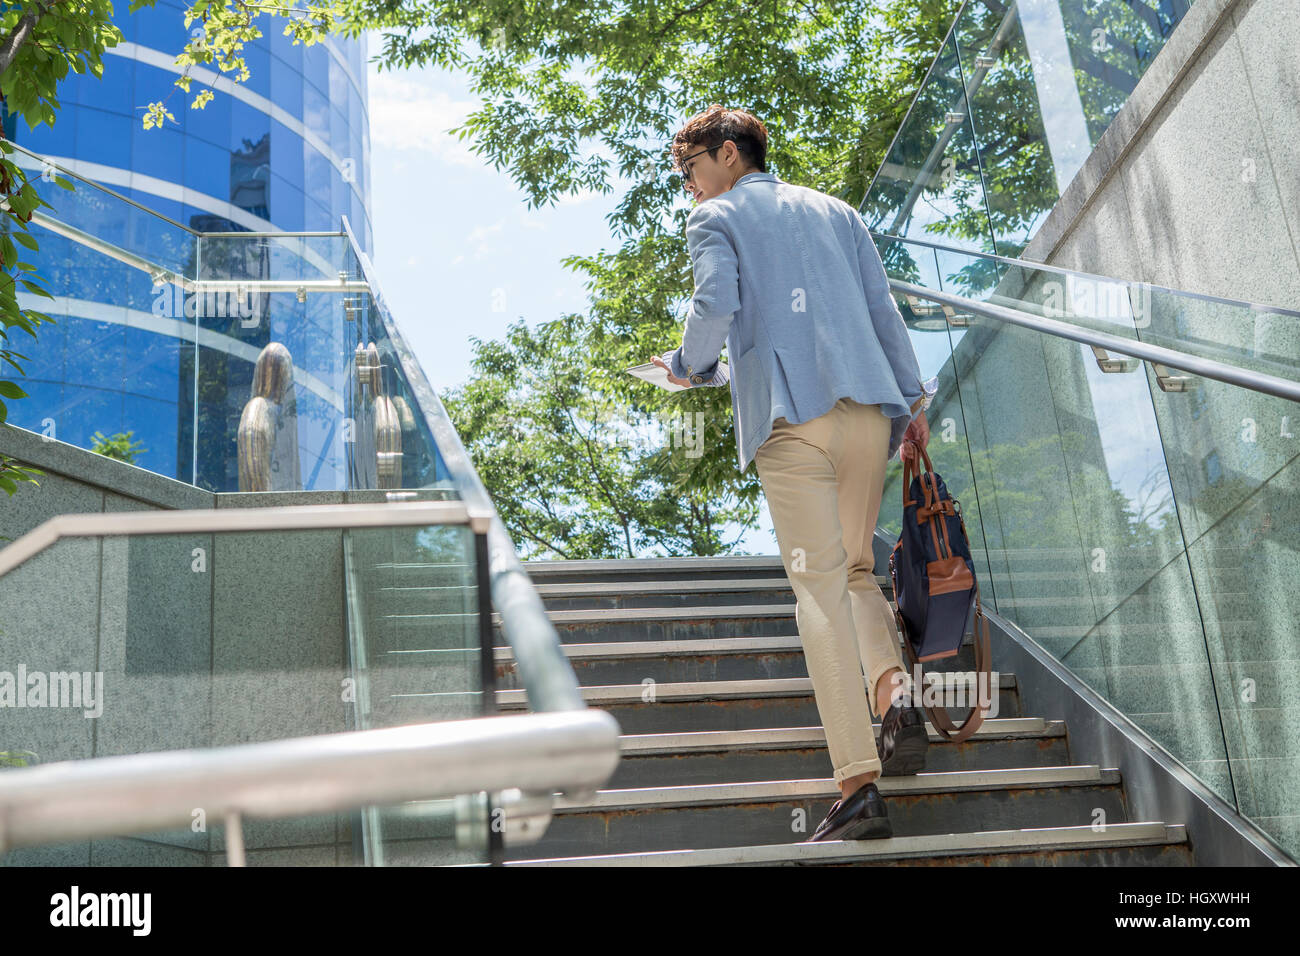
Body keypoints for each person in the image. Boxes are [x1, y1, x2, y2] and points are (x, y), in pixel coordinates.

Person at [651, 104, 938, 842]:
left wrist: (689, 369)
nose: (691, 189)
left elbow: (716, 303)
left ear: (726, 154)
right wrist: (912, 406)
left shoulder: (716, 220)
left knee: (817, 590)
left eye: (691, 172)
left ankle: (857, 783)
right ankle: (893, 691)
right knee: (854, 574)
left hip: (791, 420)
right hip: (870, 413)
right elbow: (883, 312)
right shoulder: (839, 213)